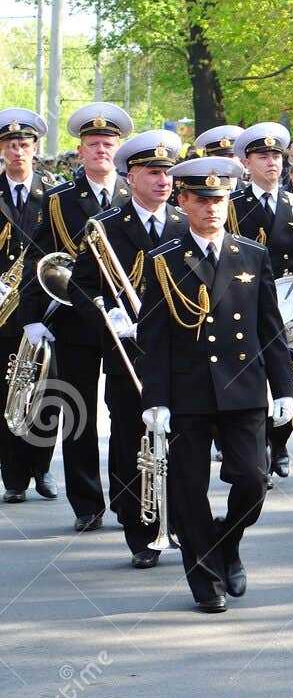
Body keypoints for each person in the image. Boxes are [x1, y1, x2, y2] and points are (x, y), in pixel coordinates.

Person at [136, 157, 293, 613]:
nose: (211, 209)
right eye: (201, 200)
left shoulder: (252, 253)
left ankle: (228, 541)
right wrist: (156, 399)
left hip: (243, 386)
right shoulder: (163, 260)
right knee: (188, 490)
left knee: (253, 479)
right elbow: (156, 333)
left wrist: (284, 389)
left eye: (219, 200)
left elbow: (269, 328)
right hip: (188, 390)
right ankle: (206, 582)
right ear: (183, 201)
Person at [60, 129, 185, 567]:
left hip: (180, 354)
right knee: (131, 436)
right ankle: (138, 529)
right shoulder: (107, 227)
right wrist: (106, 316)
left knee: (181, 438)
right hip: (128, 353)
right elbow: (79, 287)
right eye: (153, 172)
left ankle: (180, 519)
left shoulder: (185, 222)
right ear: (131, 176)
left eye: (168, 173)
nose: (164, 181)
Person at [20, 102, 133, 530]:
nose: (101, 150)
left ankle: (127, 500)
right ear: (80, 151)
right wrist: (32, 317)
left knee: (127, 413)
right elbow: (38, 258)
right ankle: (87, 504)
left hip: (125, 322)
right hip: (74, 318)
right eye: (93, 144)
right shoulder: (58, 199)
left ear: (118, 149)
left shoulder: (132, 193)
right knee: (77, 412)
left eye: (108, 143)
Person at [230, 124, 293, 481]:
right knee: (251, 373)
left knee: (288, 372)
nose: (272, 162)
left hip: (289, 299)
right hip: (244, 299)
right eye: (263, 156)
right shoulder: (232, 205)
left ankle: (280, 442)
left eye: (277, 155)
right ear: (247, 163)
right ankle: (257, 445)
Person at [0, 110, 53, 504]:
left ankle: (42, 468)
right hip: (1, 309)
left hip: (43, 306)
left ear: (35, 149)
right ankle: (14, 477)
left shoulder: (51, 193)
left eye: (24, 145)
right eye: (10, 145)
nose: (18, 151)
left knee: (46, 387)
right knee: (7, 388)